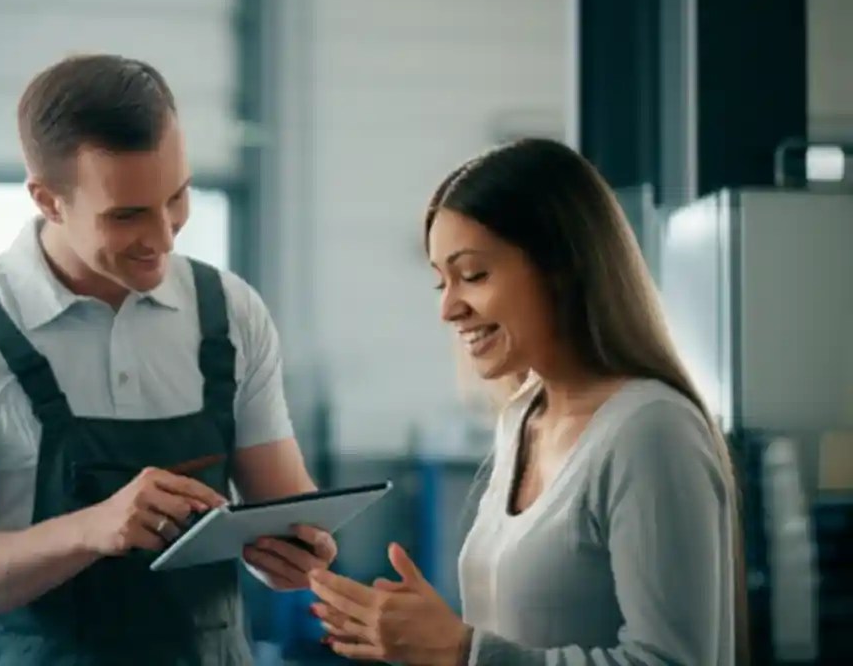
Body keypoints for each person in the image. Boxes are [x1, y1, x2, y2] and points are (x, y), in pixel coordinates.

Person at [0, 54, 337, 665]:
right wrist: (91, 529)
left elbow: (283, 508)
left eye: (177, 197)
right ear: (48, 200)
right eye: (127, 215)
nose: (165, 236)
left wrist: (298, 551)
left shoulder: (232, 312)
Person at [307, 138, 745, 665]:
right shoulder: (523, 415)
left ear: (562, 266)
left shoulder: (651, 431)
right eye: (442, 283)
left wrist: (462, 650)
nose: (449, 309)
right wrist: (422, 643)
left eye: (474, 275)